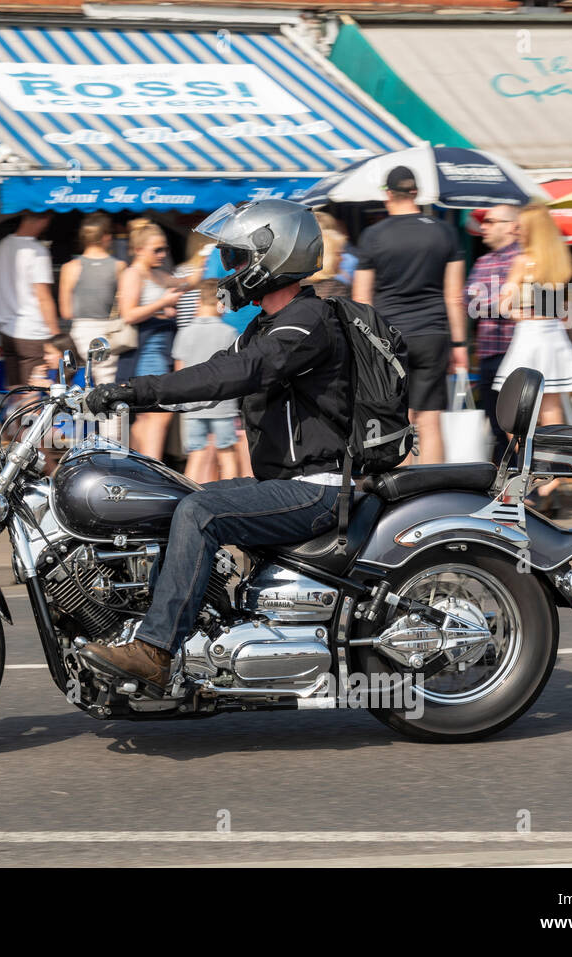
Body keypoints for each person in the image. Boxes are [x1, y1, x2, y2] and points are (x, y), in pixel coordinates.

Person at [81, 200, 352, 689]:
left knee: (199, 511)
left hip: (319, 487)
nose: (229, 271)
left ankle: (155, 651)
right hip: (287, 483)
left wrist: (133, 390)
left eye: (237, 258)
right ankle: (185, 628)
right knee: (175, 499)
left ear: (275, 257)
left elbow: (237, 373)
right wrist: (128, 399)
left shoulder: (308, 320)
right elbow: (207, 380)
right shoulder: (265, 326)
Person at [353, 165, 468, 465]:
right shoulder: (444, 231)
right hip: (433, 334)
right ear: (415, 193)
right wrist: (459, 346)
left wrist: (364, 345)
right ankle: (433, 495)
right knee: (430, 421)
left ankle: (403, 500)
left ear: (388, 194)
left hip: (388, 338)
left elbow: (361, 297)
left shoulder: (373, 236)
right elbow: (454, 296)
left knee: (398, 421)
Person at [493, 202, 572, 517]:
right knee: (553, 413)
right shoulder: (560, 262)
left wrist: (517, 311)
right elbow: (562, 309)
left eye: (520, 225)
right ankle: (551, 480)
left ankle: (534, 472)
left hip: (530, 337)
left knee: (512, 410)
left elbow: (502, 305)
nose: (516, 229)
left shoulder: (523, 261)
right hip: (554, 337)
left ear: (530, 229)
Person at [116, 221, 196, 460]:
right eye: (157, 250)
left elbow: (187, 284)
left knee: (148, 416)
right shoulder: (133, 274)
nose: (163, 254)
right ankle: (152, 467)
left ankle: (143, 467)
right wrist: (162, 305)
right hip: (145, 354)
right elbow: (128, 314)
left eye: (165, 249)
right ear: (139, 249)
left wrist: (206, 258)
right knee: (157, 414)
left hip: (162, 351)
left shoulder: (159, 274)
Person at [466, 204, 522, 462]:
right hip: (489, 354)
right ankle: (506, 490)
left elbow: (546, 307)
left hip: (519, 354)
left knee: (519, 427)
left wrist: (492, 304)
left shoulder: (527, 260)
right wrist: (501, 304)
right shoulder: (482, 262)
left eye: (490, 221)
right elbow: (469, 305)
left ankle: (532, 486)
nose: (483, 227)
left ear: (511, 226)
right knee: (498, 428)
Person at [171, 279, 241, 483]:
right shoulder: (229, 333)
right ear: (222, 303)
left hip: (193, 406)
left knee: (197, 455)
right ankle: (232, 499)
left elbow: (179, 373)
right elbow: (236, 372)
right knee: (227, 454)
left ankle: (190, 497)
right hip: (223, 406)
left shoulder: (185, 332)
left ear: (198, 302)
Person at [0, 211, 60, 387]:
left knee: (15, 393)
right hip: (33, 333)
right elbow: (43, 297)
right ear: (44, 220)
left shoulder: (1, 246)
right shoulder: (38, 252)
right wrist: (56, 335)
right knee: (35, 395)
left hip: (7, 331)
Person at [59, 213, 124, 387]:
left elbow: (66, 312)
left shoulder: (70, 267)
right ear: (107, 237)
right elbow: (124, 307)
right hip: (108, 332)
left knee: (79, 386)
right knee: (107, 386)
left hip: (79, 332)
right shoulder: (119, 266)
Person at [305, 211, 354, 299]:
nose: (343, 258)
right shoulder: (337, 287)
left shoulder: (299, 285)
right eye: (338, 254)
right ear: (328, 256)